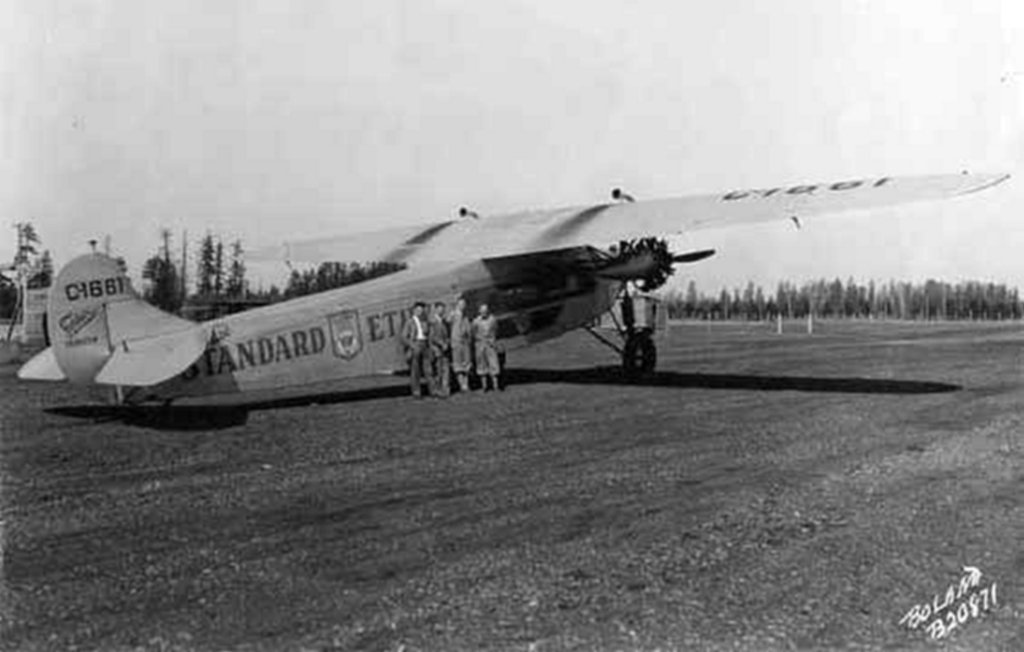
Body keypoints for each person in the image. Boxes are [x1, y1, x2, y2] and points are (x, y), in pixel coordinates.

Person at [401, 301, 430, 398]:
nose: (420, 312)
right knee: (415, 370)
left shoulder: (425, 322)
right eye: (418, 310)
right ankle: (416, 392)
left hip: (425, 345)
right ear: (414, 311)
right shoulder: (409, 322)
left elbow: (428, 334)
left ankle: (433, 390)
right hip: (416, 345)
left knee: (428, 370)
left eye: (422, 310)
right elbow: (404, 337)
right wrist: (412, 345)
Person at [472, 302, 501, 391]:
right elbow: (473, 332)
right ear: (479, 311)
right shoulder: (476, 321)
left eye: (485, 310)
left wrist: (493, 340)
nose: (484, 312)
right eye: (482, 310)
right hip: (480, 344)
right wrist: (479, 339)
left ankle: (495, 385)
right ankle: (484, 386)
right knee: (481, 364)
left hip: (490, 344)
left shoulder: (492, 319)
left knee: (493, 363)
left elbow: (496, 329)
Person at [448, 297, 473, 393]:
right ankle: (462, 385)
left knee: (466, 363)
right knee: (458, 364)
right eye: (461, 304)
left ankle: (466, 384)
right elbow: (448, 321)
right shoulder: (454, 314)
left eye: (464, 304)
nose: (463, 306)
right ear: (457, 304)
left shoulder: (466, 316)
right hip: (456, 342)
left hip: (465, 343)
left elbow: (469, 329)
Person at [428, 301, 450, 398]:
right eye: (440, 309)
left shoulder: (444, 321)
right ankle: (438, 390)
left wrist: (447, 343)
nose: (442, 311)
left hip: (444, 350)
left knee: (445, 370)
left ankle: (445, 390)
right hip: (437, 350)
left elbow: (446, 335)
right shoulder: (433, 322)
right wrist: (442, 344)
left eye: (443, 309)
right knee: (438, 371)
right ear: (436, 309)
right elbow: (432, 337)